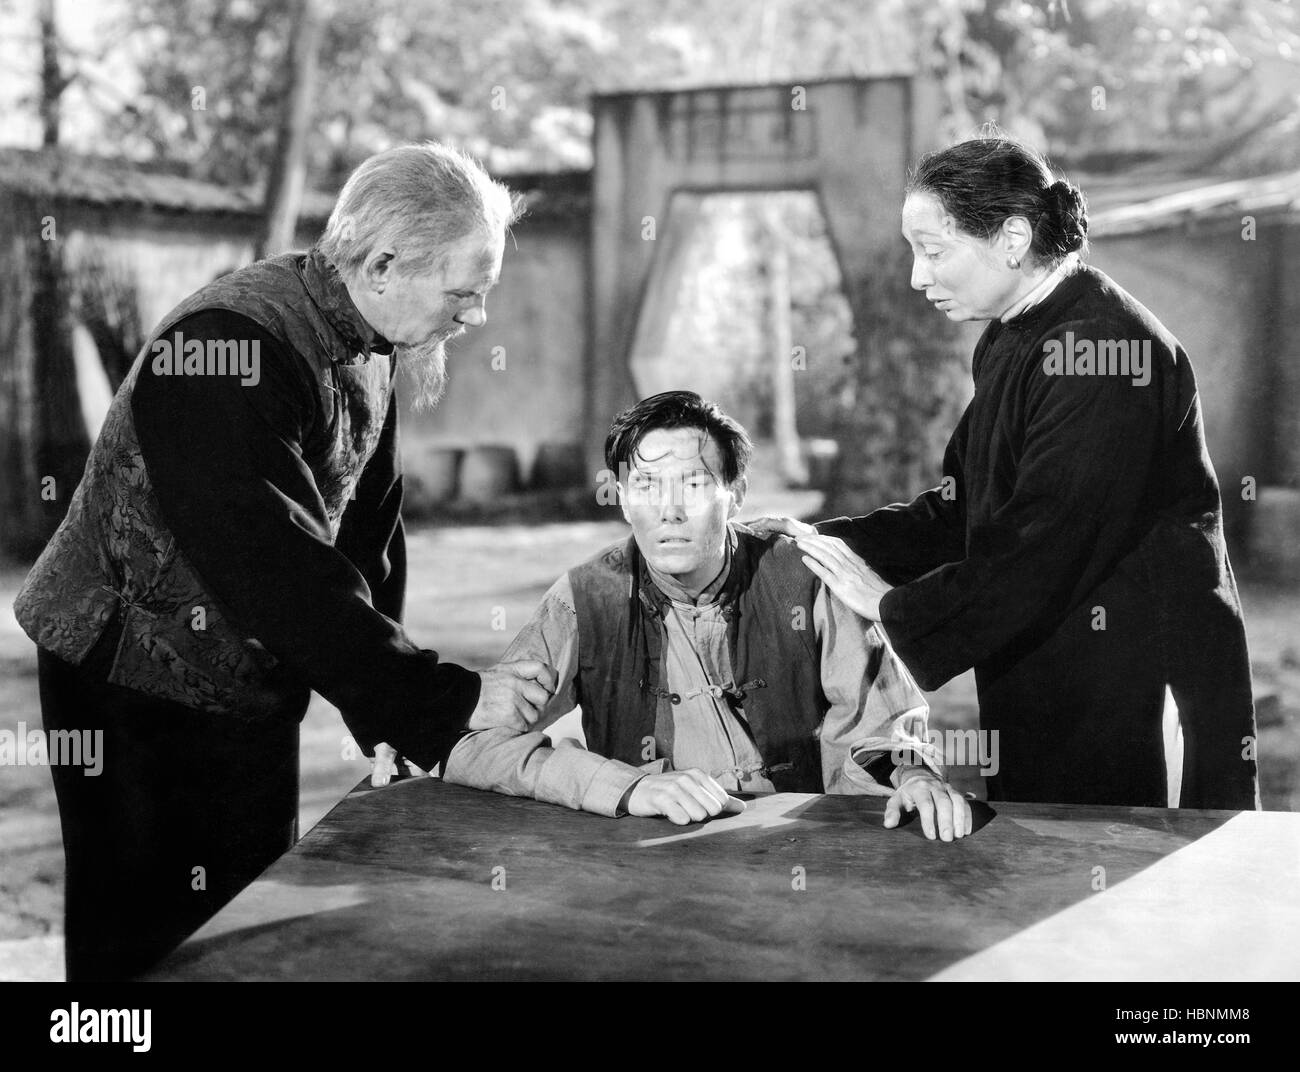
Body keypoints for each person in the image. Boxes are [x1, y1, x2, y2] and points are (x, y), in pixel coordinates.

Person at [14, 142, 555, 980]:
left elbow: (367, 540)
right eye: (465, 293)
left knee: (248, 910)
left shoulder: (370, 342)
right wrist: (440, 705)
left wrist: (388, 723)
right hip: (123, 676)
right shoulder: (223, 349)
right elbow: (276, 566)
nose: (475, 318)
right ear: (382, 263)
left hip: (245, 674)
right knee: (140, 935)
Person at [753, 135, 1259, 811]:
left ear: (1013, 237)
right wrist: (817, 544)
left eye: (932, 250)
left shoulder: (1105, 348)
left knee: (1132, 881)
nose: (916, 277)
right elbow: (964, 509)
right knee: (1046, 870)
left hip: (1133, 678)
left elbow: (1040, 541)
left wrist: (891, 606)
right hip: (1050, 660)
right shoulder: (1014, 335)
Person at [407, 391, 971, 840]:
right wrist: (622, 787)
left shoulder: (802, 576)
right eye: (646, 486)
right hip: (647, 853)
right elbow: (471, 745)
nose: (669, 511)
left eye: (695, 485)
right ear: (623, 497)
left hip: (807, 851)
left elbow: (886, 728)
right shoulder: (587, 598)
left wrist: (914, 774)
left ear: (736, 494)